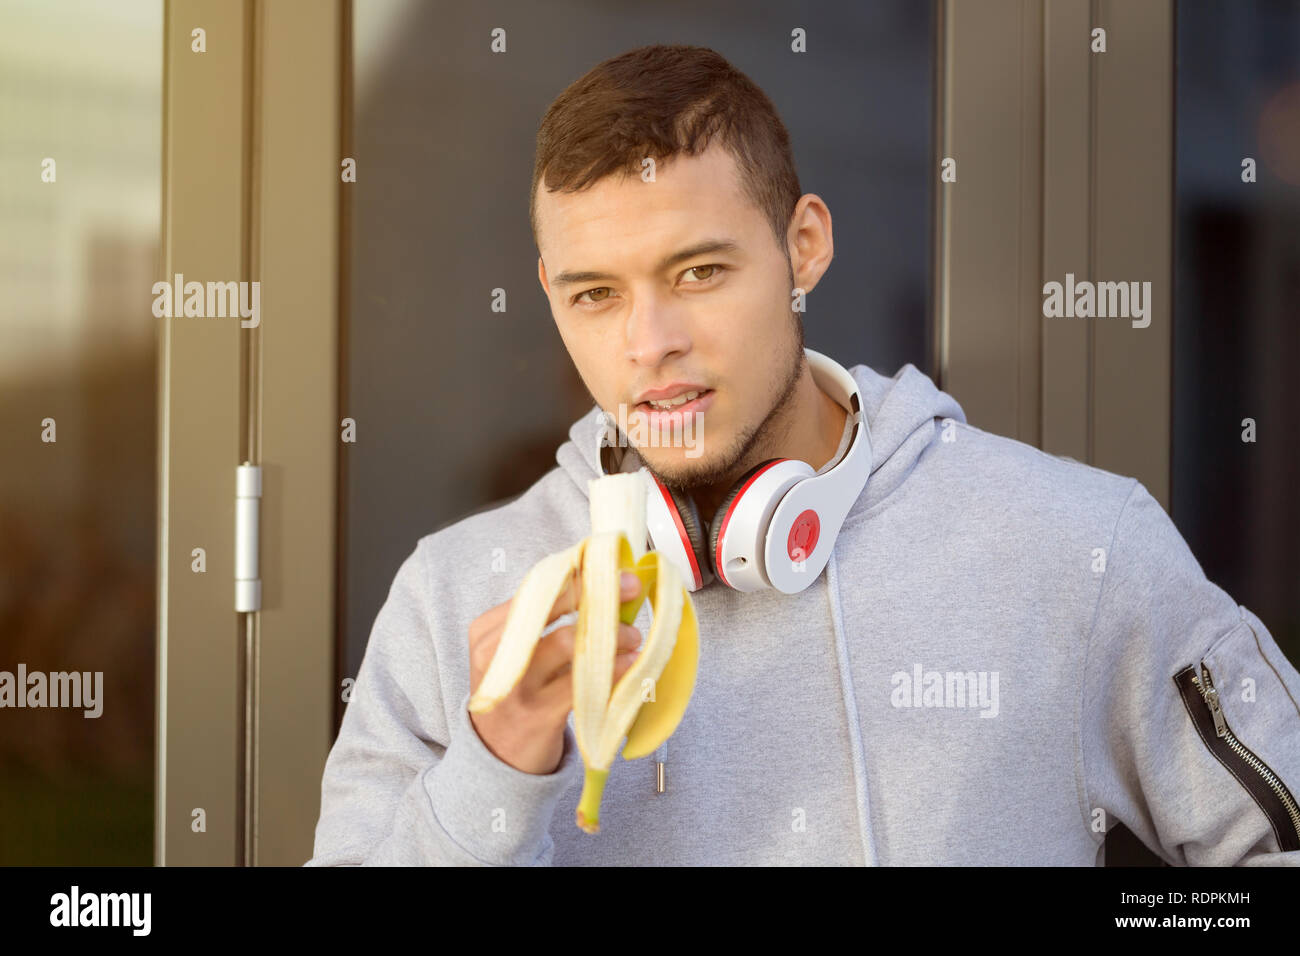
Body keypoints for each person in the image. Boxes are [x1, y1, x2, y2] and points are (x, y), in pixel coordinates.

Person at [306, 44, 1300, 866]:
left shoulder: (1072, 548)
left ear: (806, 246)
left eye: (697, 271)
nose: (646, 343)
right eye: (594, 293)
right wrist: (497, 760)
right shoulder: (456, 601)